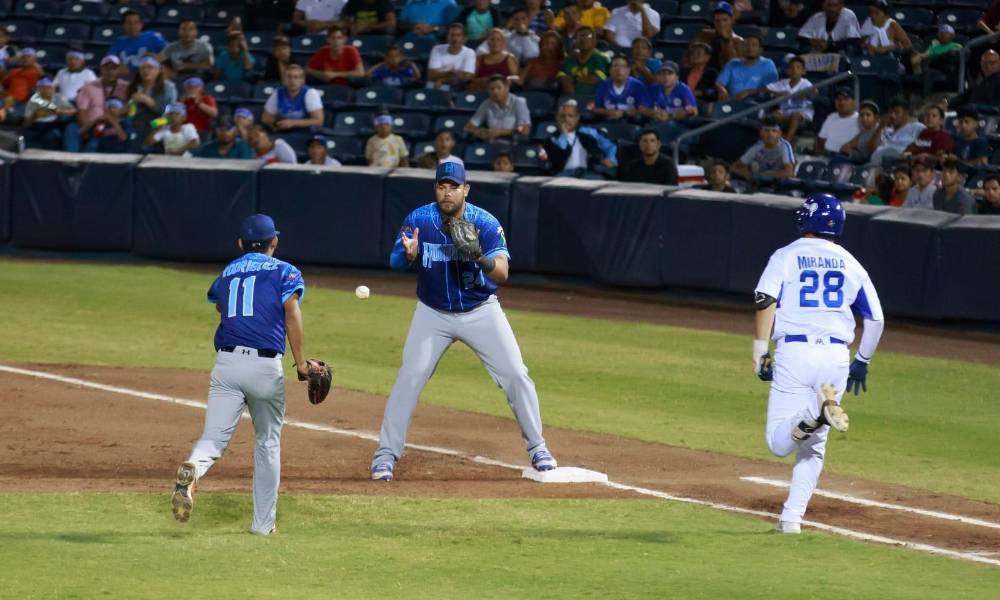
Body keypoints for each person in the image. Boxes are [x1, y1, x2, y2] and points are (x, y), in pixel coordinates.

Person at [369, 161, 557, 482]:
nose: (447, 192)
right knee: (409, 377)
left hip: (481, 310)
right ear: (435, 188)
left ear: (465, 189)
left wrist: (478, 256)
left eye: (454, 187)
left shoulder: (484, 222)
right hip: (433, 313)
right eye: (442, 186)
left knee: (516, 374)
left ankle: (538, 447)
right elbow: (394, 261)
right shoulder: (419, 219)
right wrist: (409, 255)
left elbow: (503, 272)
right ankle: (385, 456)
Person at [170, 213, 313, 536]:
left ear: (240, 244)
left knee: (213, 438)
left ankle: (194, 467)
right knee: (267, 443)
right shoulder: (285, 271)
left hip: (226, 365)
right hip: (264, 369)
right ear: (273, 242)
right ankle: (263, 526)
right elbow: (292, 313)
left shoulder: (228, 273)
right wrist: (302, 364)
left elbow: (221, 305)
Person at [753, 193, 885, 534]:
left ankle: (813, 415)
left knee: (778, 443)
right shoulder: (852, 263)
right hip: (836, 358)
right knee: (814, 447)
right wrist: (862, 361)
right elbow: (876, 320)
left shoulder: (787, 254)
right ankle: (791, 520)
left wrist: (759, 350)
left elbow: (765, 298)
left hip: (796, 353)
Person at [65, 55, 130, 153]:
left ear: (118, 70)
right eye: (106, 69)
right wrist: (86, 128)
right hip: (91, 125)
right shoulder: (89, 86)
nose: (110, 72)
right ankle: (70, 160)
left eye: (113, 69)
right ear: (101, 70)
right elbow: (82, 111)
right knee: (72, 128)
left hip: (115, 125)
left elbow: (129, 109)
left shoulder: (126, 87)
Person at [542, 99, 617, 176]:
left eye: (570, 116)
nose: (566, 119)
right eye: (562, 116)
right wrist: (564, 135)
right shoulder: (552, 139)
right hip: (563, 175)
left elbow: (611, 147)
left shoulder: (588, 133)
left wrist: (611, 159)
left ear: (577, 117)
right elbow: (560, 156)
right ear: (557, 118)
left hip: (589, 173)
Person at [126, 56, 178, 150]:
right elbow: (131, 114)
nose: (146, 71)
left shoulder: (168, 87)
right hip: (138, 126)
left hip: (159, 125)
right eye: (143, 68)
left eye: (150, 67)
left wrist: (149, 101)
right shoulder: (134, 87)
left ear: (158, 70)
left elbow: (169, 115)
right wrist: (131, 105)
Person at [465, 74, 531, 141]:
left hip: (513, 143)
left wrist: (500, 132)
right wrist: (479, 132)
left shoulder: (519, 102)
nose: (495, 92)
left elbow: (524, 129)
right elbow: (468, 127)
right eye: (492, 89)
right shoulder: (486, 104)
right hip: (491, 143)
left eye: (499, 88)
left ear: (507, 88)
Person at [715, 34, 778, 103]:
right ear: (742, 48)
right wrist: (721, 89)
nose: (750, 48)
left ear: (760, 50)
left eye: (754, 45)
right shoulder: (732, 63)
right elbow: (719, 83)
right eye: (746, 45)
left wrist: (749, 92)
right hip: (731, 101)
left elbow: (772, 87)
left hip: (755, 102)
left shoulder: (767, 64)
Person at [641, 61, 697, 137]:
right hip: (656, 124)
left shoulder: (684, 89)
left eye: (670, 74)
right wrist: (653, 113)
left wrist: (670, 115)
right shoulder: (653, 88)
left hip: (678, 128)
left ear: (677, 77)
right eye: (663, 74)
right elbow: (642, 108)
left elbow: (693, 110)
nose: (666, 77)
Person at [262, 65, 325, 132]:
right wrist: (275, 124)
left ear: (302, 80)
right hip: (282, 131)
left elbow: (318, 121)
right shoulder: (277, 93)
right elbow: (265, 117)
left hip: (304, 133)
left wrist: (293, 123)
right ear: (283, 80)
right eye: (289, 77)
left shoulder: (310, 93)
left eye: (296, 77)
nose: (292, 81)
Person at [765, 55, 813, 142]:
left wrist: (796, 95)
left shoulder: (806, 83)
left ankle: (787, 140)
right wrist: (780, 93)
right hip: (785, 111)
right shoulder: (783, 83)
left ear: (803, 71)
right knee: (773, 115)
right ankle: (773, 140)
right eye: (792, 67)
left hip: (802, 112)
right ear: (788, 71)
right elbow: (765, 88)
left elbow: (814, 92)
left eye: (798, 67)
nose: (794, 70)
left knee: (795, 115)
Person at [731, 118, 796, 180]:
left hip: (777, 184)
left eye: (774, 131)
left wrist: (763, 175)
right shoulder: (756, 147)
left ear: (780, 134)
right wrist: (747, 174)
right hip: (757, 183)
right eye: (766, 130)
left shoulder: (784, 146)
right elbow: (735, 166)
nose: (770, 134)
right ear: (761, 133)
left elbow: (789, 173)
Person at [109, 10, 168, 77]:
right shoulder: (118, 42)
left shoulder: (153, 37)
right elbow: (109, 62)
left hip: (151, 77)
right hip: (127, 79)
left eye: (136, 22)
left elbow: (171, 54)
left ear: (141, 25)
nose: (132, 26)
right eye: (129, 23)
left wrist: (157, 57)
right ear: (123, 25)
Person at [23, 78, 77, 150]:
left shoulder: (58, 97)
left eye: (49, 88)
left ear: (53, 89)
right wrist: (34, 115)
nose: (46, 90)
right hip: (36, 125)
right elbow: (26, 124)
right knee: (25, 136)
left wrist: (59, 111)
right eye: (42, 88)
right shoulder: (33, 100)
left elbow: (74, 111)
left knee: (53, 136)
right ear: (38, 90)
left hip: (53, 124)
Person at [869, 98, 924, 166]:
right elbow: (871, 149)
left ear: (906, 113)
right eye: (890, 112)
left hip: (902, 166)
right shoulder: (884, 130)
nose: (892, 116)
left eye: (896, 112)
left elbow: (927, 144)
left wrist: (909, 154)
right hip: (877, 168)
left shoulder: (916, 127)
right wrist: (880, 127)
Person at [591, 54, 647, 121]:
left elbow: (643, 110)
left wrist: (623, 113)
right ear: (610, 70)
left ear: (628, 70)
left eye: (623, 66)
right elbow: (595, 108)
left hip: (631, 124)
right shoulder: (603, 85)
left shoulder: (638, 86)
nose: (619, 69)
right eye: (615, 66)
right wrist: (609, 112)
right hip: (608, 122)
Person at [558, 27, 610, 96]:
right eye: (580, 36)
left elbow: (597, 79)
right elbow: (562, 75)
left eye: (588, 36)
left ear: (594, 41)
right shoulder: (570, 58)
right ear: (575, 41)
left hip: (592, 99)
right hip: (569, 99)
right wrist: (565, 80)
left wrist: (575, 79)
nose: (583, 39)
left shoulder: (601, 58)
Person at [695, 2, 744, 72]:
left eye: (725, 20)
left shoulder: (738, 41)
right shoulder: (704, 35)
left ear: (732, 20)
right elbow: (691, 57)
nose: (721, 24)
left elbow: (734, 68)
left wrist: (727, 41)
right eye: (718, 20)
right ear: (714, 22)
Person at [427, 23, 477, 90]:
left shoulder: (469, 52)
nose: (455, 38)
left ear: (464, 38)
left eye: (458, 35)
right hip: (434, 84)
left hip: (456, 87)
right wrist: (452, 72)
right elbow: (431, 75)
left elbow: (467, 77)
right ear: (447, 37)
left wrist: (443, 80)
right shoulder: (437, 49)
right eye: (452, 35)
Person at [815, 88, 858, 155]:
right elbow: (821, 139)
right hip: (827, 156)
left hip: (847, 158)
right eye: (838, 99)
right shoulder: (831, 117)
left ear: (853, 102)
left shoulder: (860, 119)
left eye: (845, 99)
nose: (842, 102)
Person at [682, 42, 719, 112]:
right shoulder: (683, 71)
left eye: (698, 53)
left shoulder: (712, 73)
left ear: (707, 58)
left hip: (700, 103)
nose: (694, 55)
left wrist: (700, 92)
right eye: (692, 53)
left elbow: (714, 92)